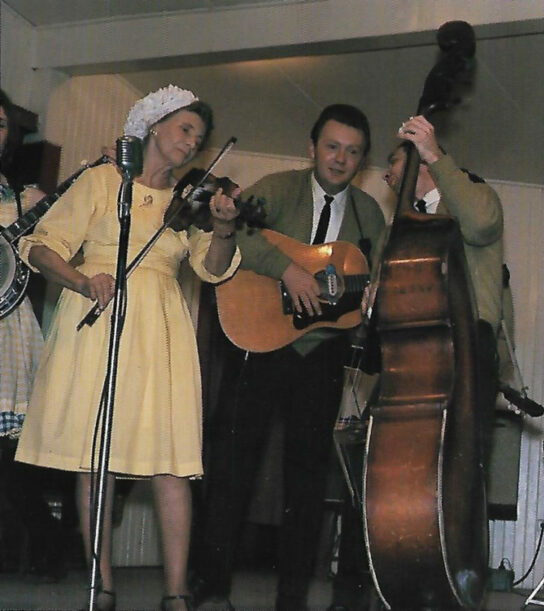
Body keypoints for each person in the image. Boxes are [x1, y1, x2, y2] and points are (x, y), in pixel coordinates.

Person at [14, 84, 241, 611]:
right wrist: (80, 279)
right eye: (185, 129)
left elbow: (211, 265)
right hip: (99, 319)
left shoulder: (190, 205)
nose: (192, 143)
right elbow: (43, 246)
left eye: (199, 138)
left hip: (160, 330)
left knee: (172, 462)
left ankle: (177, 592)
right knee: (98, 461)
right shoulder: (101, 181)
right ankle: (103, 585)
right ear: (155, 125)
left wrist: (225, 227)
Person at [191, 103, 386, 611]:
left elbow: (374, 279)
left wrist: (371, 301)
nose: (340, 159)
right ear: (312, 148)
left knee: (306, 478)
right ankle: (211, 586)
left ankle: (293, 598)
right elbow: (233, 236)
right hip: (256, 342)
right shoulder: (277, 188)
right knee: (233, 467)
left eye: (352, 151)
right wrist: (287, 270)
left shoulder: (370, 214)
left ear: (362, 160)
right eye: (332, 147)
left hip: (321, 355)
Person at [328, 114, 504, 611]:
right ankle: (362, 592)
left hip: (470, 347)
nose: (387, 176)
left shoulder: (473, 194)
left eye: (394, 165)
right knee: (380, 471)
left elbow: (483, 224)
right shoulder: (396, 231)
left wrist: (434, 155)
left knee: (460, 480)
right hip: (413, 359)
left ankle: (456, 592)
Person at [0, 88, 70, 581]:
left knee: (11, 455)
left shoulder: (21, 197)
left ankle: (48, 545)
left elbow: (60, 246)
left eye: (1, 124)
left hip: (10, 332)